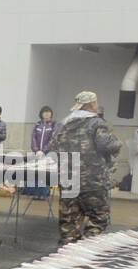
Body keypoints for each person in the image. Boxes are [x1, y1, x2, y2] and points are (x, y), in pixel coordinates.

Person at [51, 90, 121, 245]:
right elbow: (107, 145)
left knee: (69, 220)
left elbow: (53, 147)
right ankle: (87, 248)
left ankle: (66, 253)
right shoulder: (97, 123)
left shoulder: (63, 125)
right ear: (92, 105)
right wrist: (117, 144)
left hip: (68, 179)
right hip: (92, 180)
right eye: (96, 103)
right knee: (98, 217)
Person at [29, 105, 57, 199]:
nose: (46, 114)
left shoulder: (54, 125)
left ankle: (44, 193)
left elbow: (53, 139)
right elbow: (33, 138)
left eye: (48, 112)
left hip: (48, 153)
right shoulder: (37, 124)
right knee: (37, 172)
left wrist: (44, 151)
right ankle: (36, 193)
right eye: (45, 112)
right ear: (41, 114)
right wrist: (36, 150)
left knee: (46, 173)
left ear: (51, 114)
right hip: (37, 153)